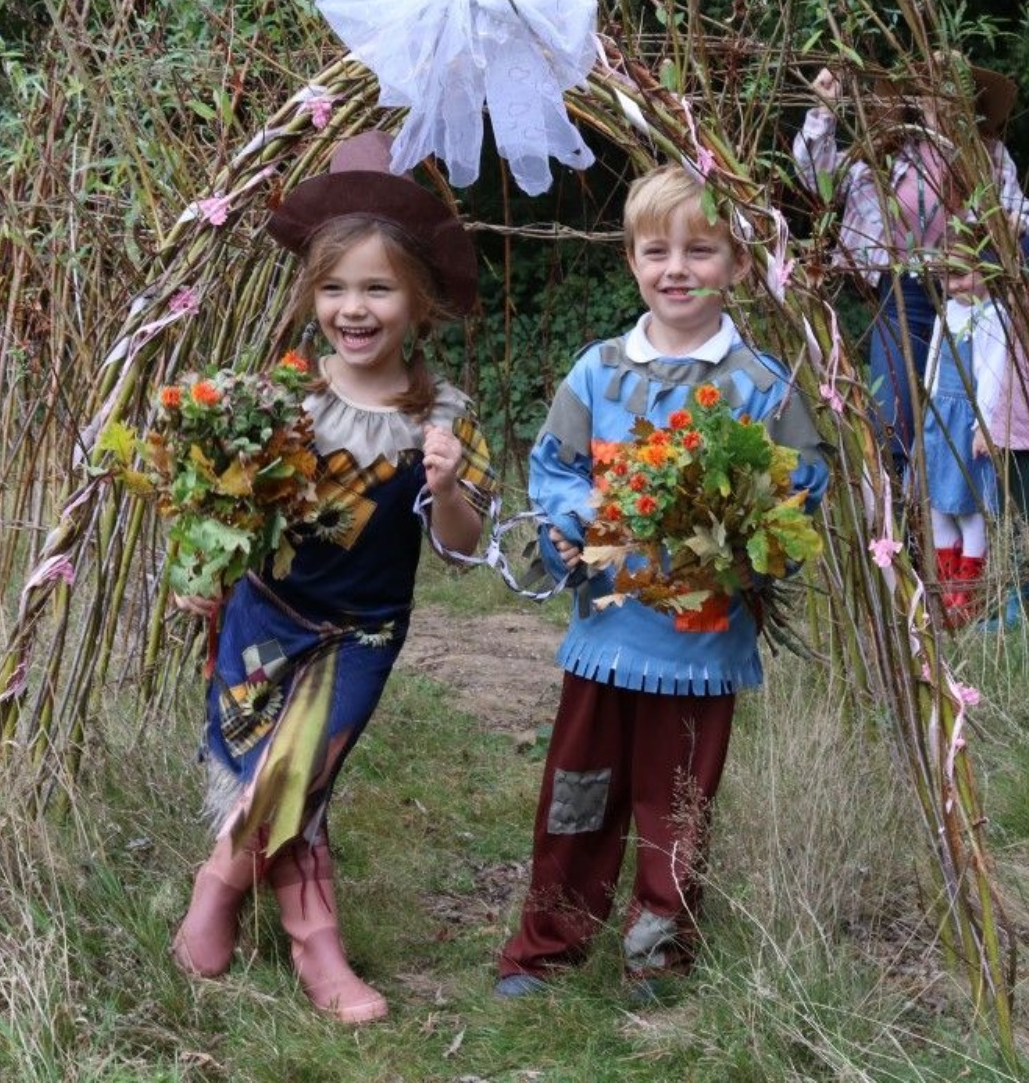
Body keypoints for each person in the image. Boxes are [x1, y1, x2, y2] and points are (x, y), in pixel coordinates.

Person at [170, 130, 498, 1023]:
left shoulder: (443, 417)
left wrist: (449, 484)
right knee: (287, 785)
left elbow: (465, 549)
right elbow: (229, 507)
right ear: (313, 294)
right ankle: (318, 951)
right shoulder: (288, 400)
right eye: (334, 287)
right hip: (265, 615)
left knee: (299, 764)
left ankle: (221, 888)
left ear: (419, 302)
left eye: (378, 288)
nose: (353, 309)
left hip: (360, 637)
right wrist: (203, 573)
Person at [495, 164, 830, 999]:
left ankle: (657, 957)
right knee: (578, 796)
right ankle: (547, 946)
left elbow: (804, 481)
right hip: (605, 635)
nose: (677, 268)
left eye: (701, 250)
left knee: (676, 810)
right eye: (657, 251)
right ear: (632, 262)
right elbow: (554, 465)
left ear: (739, 266)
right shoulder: (600, 371)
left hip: (700, 640)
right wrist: (574, 522)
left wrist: (751, 521)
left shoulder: (757, 384)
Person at [792, 58, 1027, 480]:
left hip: (971, 299)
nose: (946, 97)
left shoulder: (987, 155)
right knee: (892, 411)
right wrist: (823, 110)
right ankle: (902, 520)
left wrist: (1005, 232)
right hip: (904, 292)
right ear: (918, 98)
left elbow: (1018, 213)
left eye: (957, 89)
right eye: (935, 87)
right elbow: (817, 174)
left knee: (968, 409)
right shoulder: (889, 152)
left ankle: (975, 522)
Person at [921, 244, 1009, 627]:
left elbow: (991, 375)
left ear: (986, 272)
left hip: (967, 422)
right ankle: (946, 589)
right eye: (946, 278)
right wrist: (928, 409)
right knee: (939, 508)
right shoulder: (947, 314)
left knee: (969, 511)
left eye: (961, 276)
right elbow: (933, 366)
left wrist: (982, 427)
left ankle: (966, 597)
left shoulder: (992, 316)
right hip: (940, 417)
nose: (954, 286)